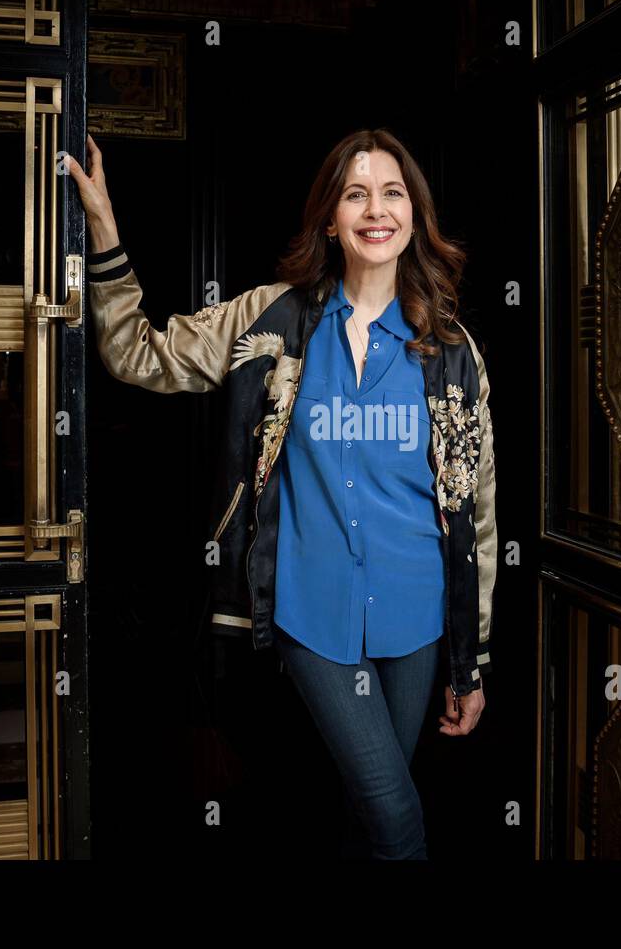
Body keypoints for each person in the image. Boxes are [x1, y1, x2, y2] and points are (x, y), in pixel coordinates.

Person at [66, 128, 497, 859]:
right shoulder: (275, 318)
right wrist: (103, 229)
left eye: (392, 192)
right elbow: (137, 352)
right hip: (311, 613)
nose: (375, 208)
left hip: (415, 618)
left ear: (414, 215)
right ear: (330, 217)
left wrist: (471, 657)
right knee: (397, 818)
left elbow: (477, 509)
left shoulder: (450, 349)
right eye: (355, 193)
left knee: (367, 816)